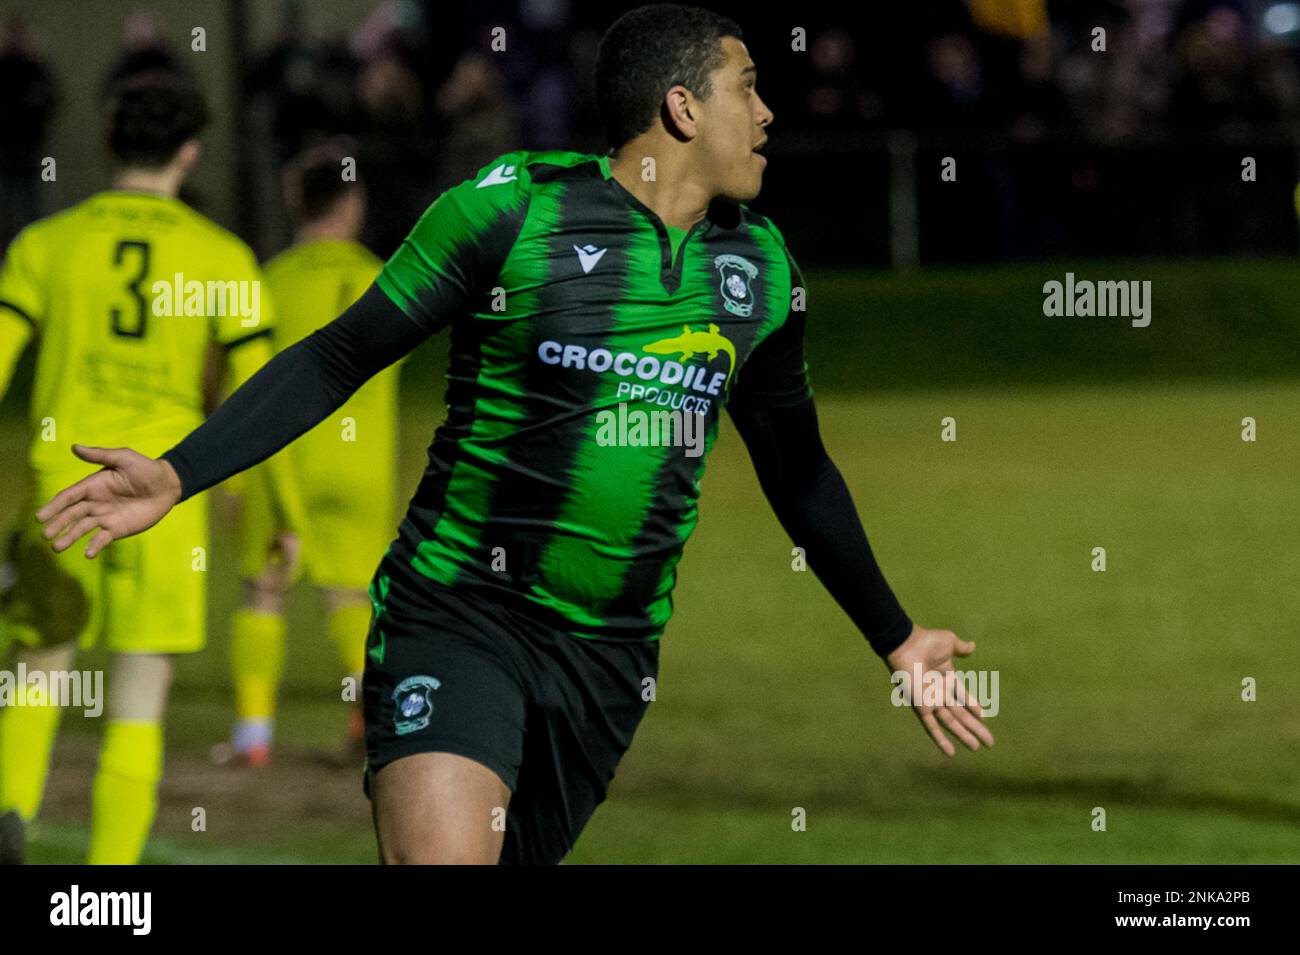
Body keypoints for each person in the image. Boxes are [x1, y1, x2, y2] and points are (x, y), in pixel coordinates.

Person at [33, 4, 992, 865]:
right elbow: (339, 355)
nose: (770, 112)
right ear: (683, 109)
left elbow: (799, 470)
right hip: (460, 612)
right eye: (749, 86)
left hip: (610, 657)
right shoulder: (510, 213)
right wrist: (178, 470)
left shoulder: (762, 268)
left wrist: (896, 636)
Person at [0, 78, 304, 864]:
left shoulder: (44, 245)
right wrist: (282, 514)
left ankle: (10, 820)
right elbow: (265, 402)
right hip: (165, 495)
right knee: (137, 701)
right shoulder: (223, 256)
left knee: (37, 675)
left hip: (61, 487)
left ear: (107, 140)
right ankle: (105, 892)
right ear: (191, 151)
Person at [213, 140, 401, 767]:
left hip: (282, 458)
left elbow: (239, 378)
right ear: (352, 204)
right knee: (350, 595)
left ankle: (253, 738)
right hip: (362, 469)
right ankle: (372, 723)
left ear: (296, 204)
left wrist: (232, 481)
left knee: (264, 589)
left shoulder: (269, 279)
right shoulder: (389, 277)